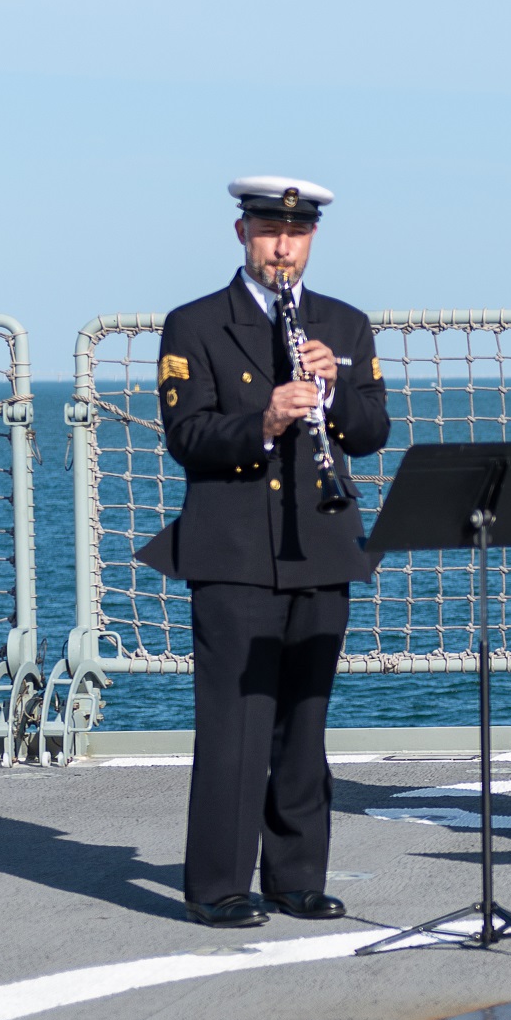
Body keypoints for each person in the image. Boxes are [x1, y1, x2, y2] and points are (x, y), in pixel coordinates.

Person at [136, 177, 390, 929]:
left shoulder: (343, 324)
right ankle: (218, 885)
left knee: (305, 721)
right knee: (235, 725)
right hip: (235, 547)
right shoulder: (195, 324)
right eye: (269, 232)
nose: (283, 247)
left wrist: (332, 393)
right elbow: (187, 437)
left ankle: (297, 878)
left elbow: (372, 431)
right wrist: (266, 419)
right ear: (241, 233)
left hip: (321, 546)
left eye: (296, 234)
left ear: (312, 238)